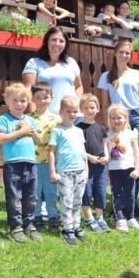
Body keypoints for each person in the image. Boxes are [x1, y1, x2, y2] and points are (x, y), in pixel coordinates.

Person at [0, 83, 42, 243]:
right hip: (13, 164)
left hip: (30, 163)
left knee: (30, 196)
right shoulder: (4, 119)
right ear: (7, 101)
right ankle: (15, 227)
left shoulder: (30, 120)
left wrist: (30, 129)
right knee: (14, 196)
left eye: (23, 101)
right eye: (14, 100)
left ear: (28, 102)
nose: (19, 104)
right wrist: (21, 132)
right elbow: (0, 139)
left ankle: (29, 224)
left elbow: (39, 140)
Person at [49, 96, 88, 246]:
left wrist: (86, 169)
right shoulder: (57, 131)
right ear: (61, 112)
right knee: (67, 201)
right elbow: (51, 152)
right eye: (68, 111)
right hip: (65, 173)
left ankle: (76, 226)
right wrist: (52, 171)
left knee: (77, 201)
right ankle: (67, 228)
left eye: (75, 111)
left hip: (80, 171)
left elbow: (83, 152)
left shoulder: (79, 131)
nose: (72, 114)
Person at [22, 27, 83, 115]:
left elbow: (78, 86)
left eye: (61, 41)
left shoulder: (71, 62)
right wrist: (35, 117)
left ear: (66, 44)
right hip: (46, 118)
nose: (57, 44)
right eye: (53, 40)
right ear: (46, 41)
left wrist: (77, 105)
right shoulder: (34, 63)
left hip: (72, 117)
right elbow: (28, 91)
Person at [30, 82, 61, 234]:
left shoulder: (57, 119)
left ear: (51, 98)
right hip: (33, 161)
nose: (42, 101)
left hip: (51, 162)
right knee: (35, 191)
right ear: (32, 98)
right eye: (38, 97)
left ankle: (53, 216)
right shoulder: (28, 118)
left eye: (46, 97)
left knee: (51, 191)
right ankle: (36, 217)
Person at [98, 40, 139, 130]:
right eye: (121, 52)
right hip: (118, 118)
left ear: (131, 56)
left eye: (127, 53)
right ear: (115, 53)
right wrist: (107, 125)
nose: (124, 55)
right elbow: (105, 103)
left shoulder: (137, 74)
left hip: (138, 116)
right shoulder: (106, 76)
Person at [77, 93, 110, 233]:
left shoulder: (100, 127)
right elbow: (77, 148)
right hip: (86, 166)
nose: (89, 110)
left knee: (100, 190)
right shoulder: (78, 128)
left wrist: (107, 156)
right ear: (81, 109)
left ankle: (100, 217)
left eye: (92, 107)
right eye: (86, 108)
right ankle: (89, 218)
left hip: (100, 166)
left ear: (97, 109)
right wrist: (89, 157)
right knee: (86, 191)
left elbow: (104, 144)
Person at [106, 104, 139, 232]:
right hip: (114, 169)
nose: (116, 120)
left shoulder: (131, 134)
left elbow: (137, 153)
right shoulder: (108, 135)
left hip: (129, 168)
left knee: (130, 194)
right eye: (113, 118)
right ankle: (120, 219)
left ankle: (130, 217)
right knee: (117, 194)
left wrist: (136, 169)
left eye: (119, 117)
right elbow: (106, 154)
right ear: (109, 119)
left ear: (126, 118)